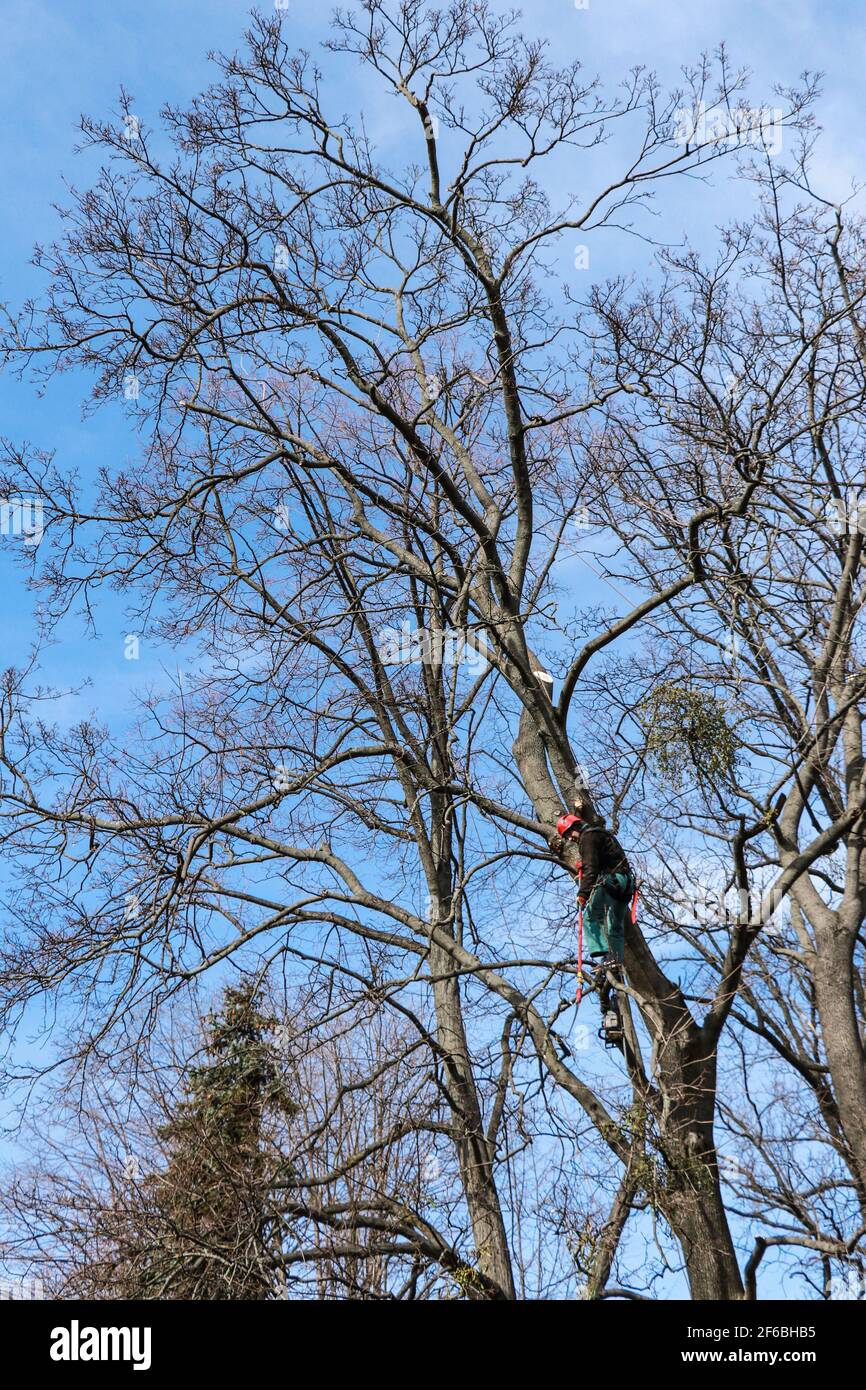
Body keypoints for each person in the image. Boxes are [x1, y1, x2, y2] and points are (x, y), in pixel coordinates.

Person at [555, 809, 635, 1044]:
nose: (570, 839)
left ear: (575, 827)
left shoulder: (588, 837)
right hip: (626, 884)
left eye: (569, 834)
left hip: (611, 883)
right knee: (615, 928)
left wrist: (583, 893)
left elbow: (590, 869)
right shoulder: (602, 836)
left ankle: (601, 957)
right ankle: (614, 959)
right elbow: (601, 860)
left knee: (591, 915)